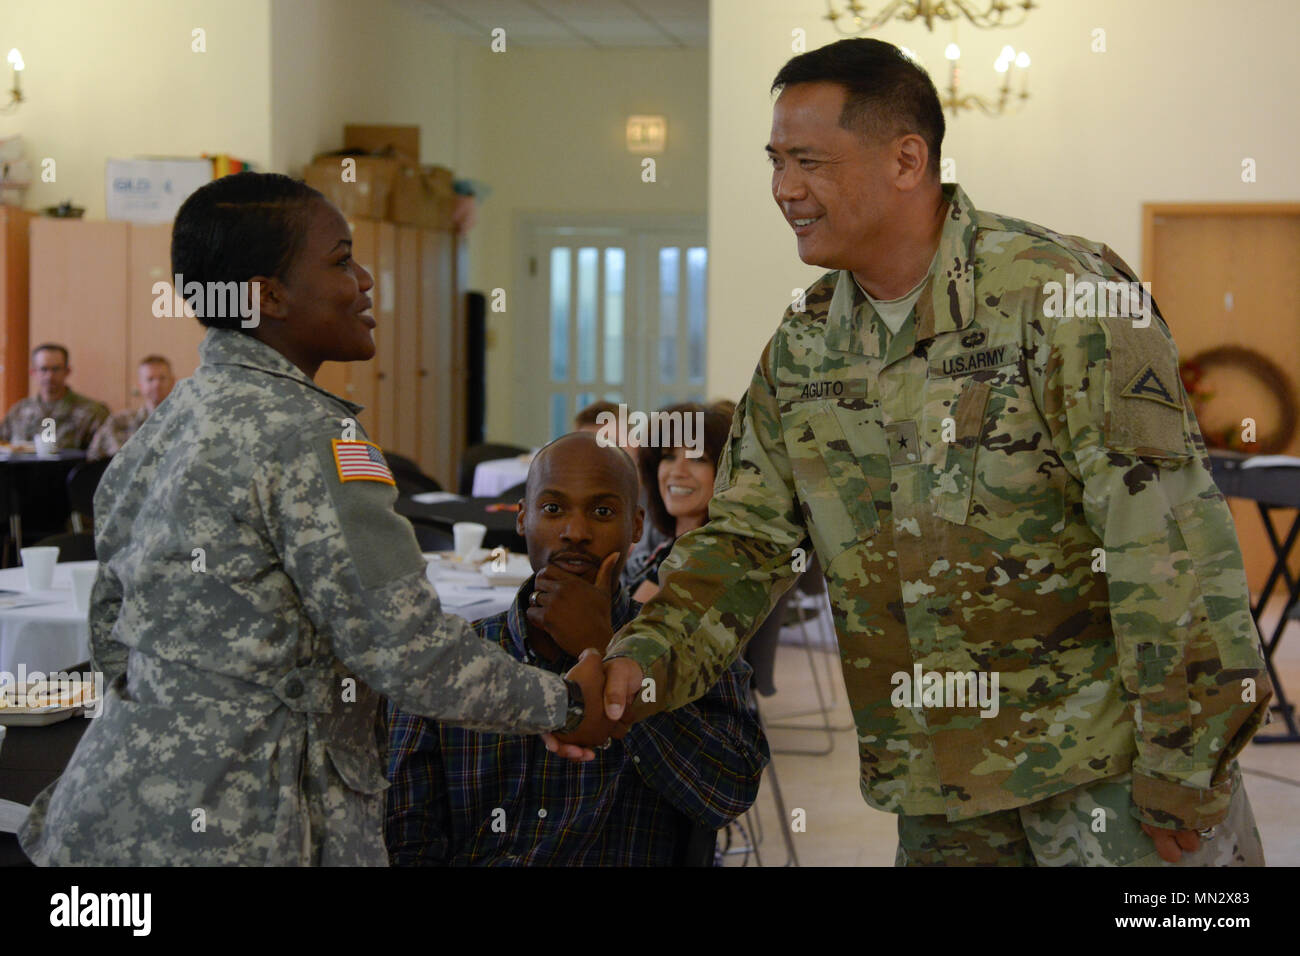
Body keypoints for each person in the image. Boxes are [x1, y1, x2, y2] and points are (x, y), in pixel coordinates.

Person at [587, 39, 1272, 867]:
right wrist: (643, 660)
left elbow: (1168, 549)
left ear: (907, 159)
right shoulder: (804, 349)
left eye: (808, 161)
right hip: (937, 789)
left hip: (1107, 779)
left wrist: (1186, 769)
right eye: (774, 162)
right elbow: (746, 543)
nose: (783, 190)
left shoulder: (1064, 301)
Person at [18, 172, 613, 866]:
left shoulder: (161, 428)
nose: (364, 280)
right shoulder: (318, 438)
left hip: (111, 813)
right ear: (270, 295)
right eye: (339, 260)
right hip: (249, 824)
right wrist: (566, 704)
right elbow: (408, 650)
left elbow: (111, 633)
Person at [385, 431, 766, 865]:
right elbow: (404, 834)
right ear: (522, 518)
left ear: (636, 525)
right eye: (553, 509)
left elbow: (728, 794)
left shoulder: (694, 651)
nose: (575, 532)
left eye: (602, 511)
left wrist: (610, 652)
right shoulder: (452, 659)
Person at [628, 403, 732, 604]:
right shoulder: (673, 546)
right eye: (669, 456)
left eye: (698, 459)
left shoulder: (699, 557)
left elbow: (623, 632)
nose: (677, 471)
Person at [573, 398, 672, 591]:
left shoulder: (665, 503)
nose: (602, 458)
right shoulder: (580, 509)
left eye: (614, 444)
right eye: (590, 449)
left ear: (637, 444)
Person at [0, 344, 109, 450]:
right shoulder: (18, 412)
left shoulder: (92, 413)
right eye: (43, 369)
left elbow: (103, 458)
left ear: (67, 371)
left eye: (56, 369)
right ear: (33, 372)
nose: (49, 376)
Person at [87, 355, 176, 461]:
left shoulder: (187, 420)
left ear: (173, 382)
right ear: (140, 385)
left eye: (162, 378)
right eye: (150, 379)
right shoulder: (119, 422)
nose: (156, 384)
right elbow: (93, 459)